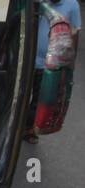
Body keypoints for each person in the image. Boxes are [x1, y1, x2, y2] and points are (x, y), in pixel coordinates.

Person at [27, 0, 81, 143]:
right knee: (21, 95)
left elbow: (74, 34)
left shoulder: (72, 5)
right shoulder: (38, 3)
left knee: (39, 99)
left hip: (49, 65)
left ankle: (29, 130)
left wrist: (70, 61)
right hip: (28, 59)